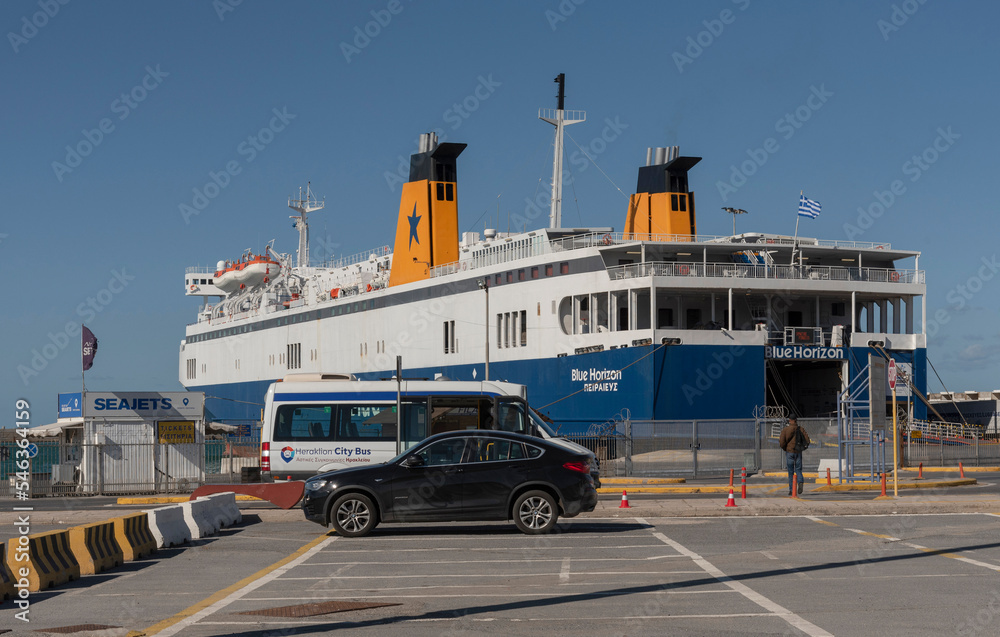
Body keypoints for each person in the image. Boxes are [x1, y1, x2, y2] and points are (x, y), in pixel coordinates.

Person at [778, 416, 810, 496]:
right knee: (798, 469)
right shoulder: (801, 429)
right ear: (796, 420)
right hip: (798, 452)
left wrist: (785, 448)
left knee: (791, 472)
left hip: (789, 452)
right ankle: (800, 482)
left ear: (790, 420)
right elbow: (807, 440)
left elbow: (781, 442)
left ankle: (792, 490)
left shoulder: (786, 430)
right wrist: (802, 448)